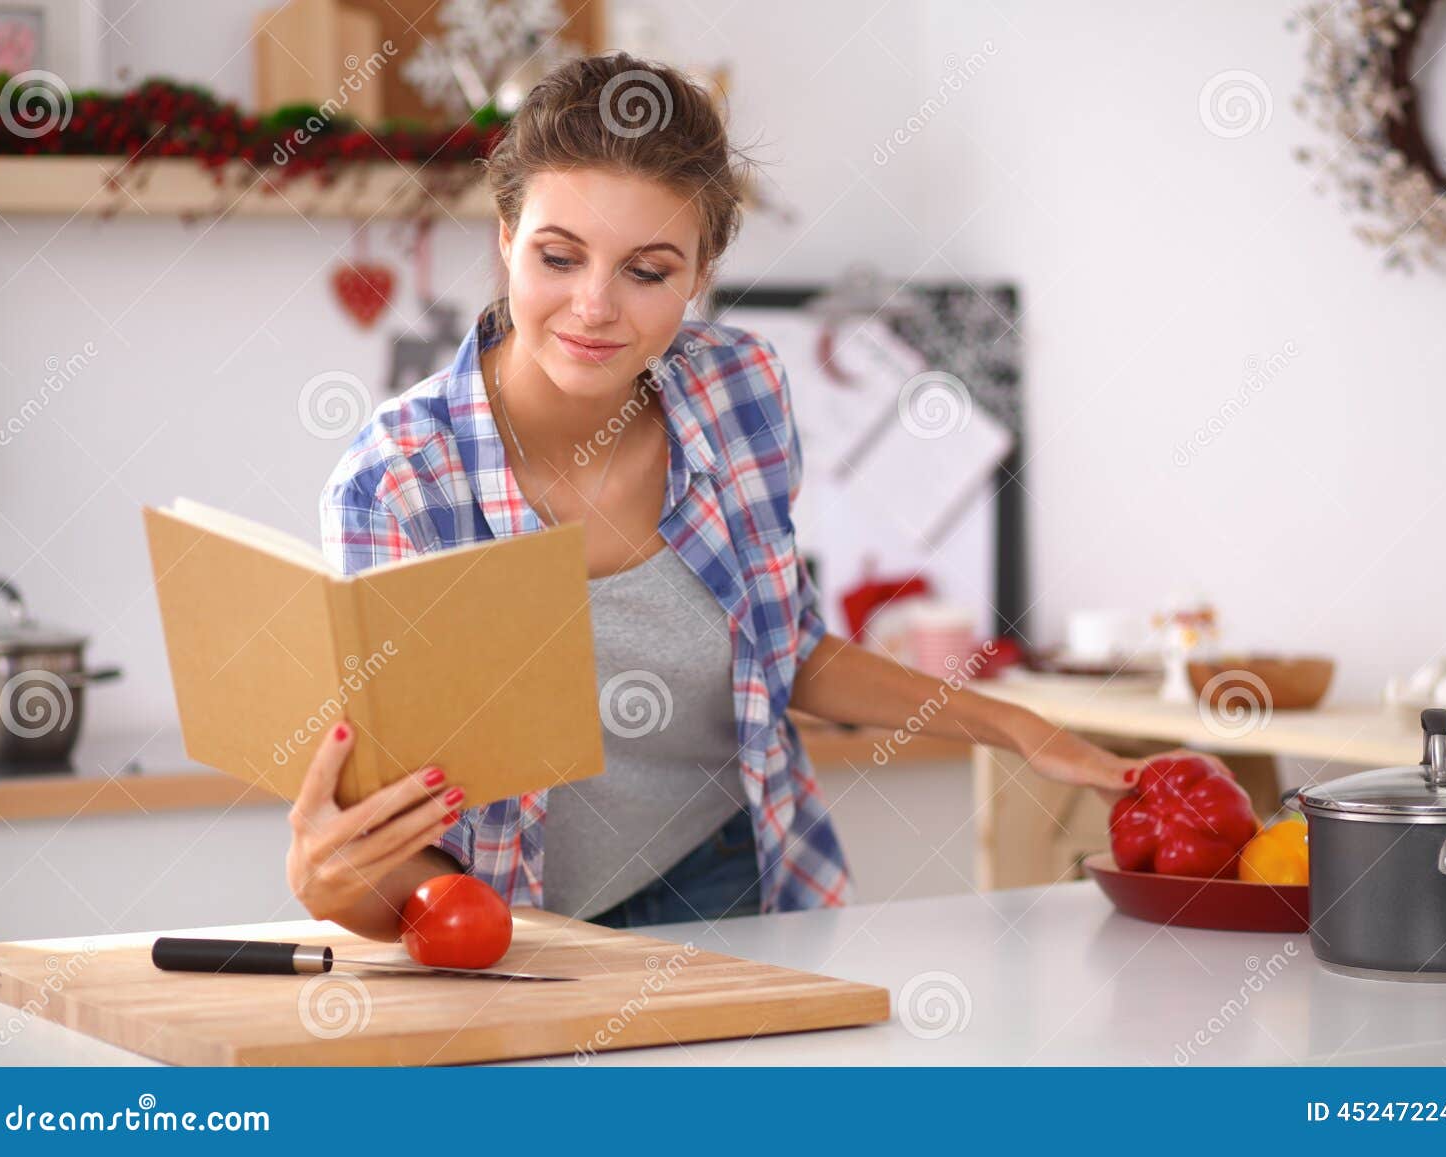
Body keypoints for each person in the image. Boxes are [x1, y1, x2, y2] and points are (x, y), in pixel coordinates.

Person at [285, 51, 1226, 940]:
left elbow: (788, 654)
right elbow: (394, 823)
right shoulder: (398, 482)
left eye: (647, 270)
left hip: (731, 872)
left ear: (700, 275)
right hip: (504, 919)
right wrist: (347, 891)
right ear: (505, 242)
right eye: (558, 257)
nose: (595, 306)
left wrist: (1017, 727)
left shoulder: (735, 388)